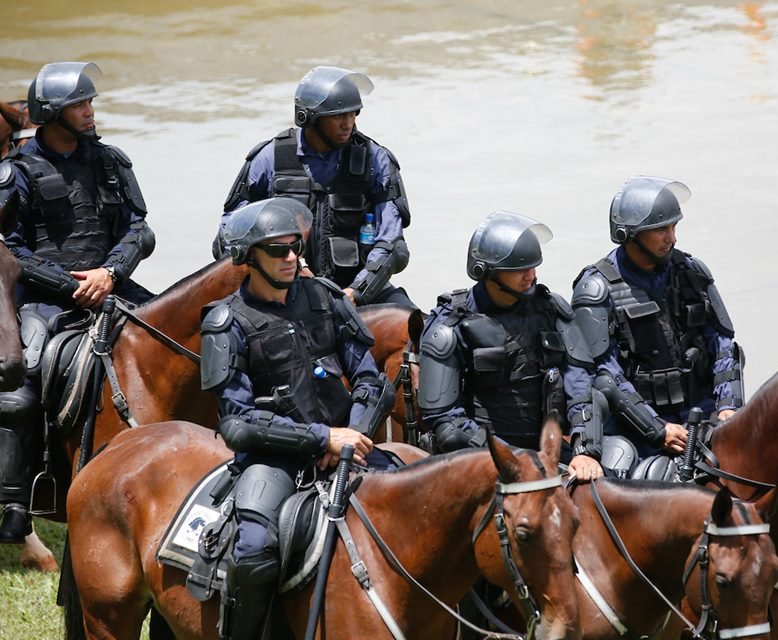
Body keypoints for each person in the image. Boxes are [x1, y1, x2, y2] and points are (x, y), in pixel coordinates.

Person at [200, 197, 395, 640]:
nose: (292, 258)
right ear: (247, 258)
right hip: (273, 462)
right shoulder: (225, 323)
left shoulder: (325, 298)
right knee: (252, 552)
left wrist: (353, 438)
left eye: (295, 248)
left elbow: (372, 381)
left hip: (349, 446)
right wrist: (321, 439)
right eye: (278, 250)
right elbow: (237, 425)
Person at [0, 62, 156, 542]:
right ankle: (12, 500)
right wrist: (73, 286)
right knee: (23, 376)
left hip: (111, 285)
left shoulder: (112, 161)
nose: (90, 112)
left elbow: (139, 229)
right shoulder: (17, 172)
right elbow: (8, 248)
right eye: (80, 105)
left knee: (179, 335)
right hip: (45, 299)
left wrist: (110, 273)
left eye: (90, 103)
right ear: (51, 113)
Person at [418, 210, 613, 482]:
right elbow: (446, 423)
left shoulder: (551, 309)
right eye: (519, 270)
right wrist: (516, 460)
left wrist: (585, 449)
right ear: (486, 272)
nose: (530, 276)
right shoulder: (449, 326)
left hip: (550, 455)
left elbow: (580, 383)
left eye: (533, 267)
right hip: (485, 461)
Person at [570, 175, 744, 473]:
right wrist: (657, 429)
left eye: (674, 227)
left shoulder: (691, 271)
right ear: (631, 234)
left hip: (702, 413)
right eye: (661, 229)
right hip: (638, 429)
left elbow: (724, 344)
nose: (672, 237)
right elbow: (605, 375)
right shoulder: (596, 289)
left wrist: (729, 407)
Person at [217, 65, 413, 308]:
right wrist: (286, 271)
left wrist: (356, 291)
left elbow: (391, 243)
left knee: (412, 324)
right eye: (338, 116)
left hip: (356, 289)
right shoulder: (271, 158)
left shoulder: (375, 159)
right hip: (283, 289)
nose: (348, 123)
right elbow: (229, 236)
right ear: (308, 117)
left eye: (353, 114)